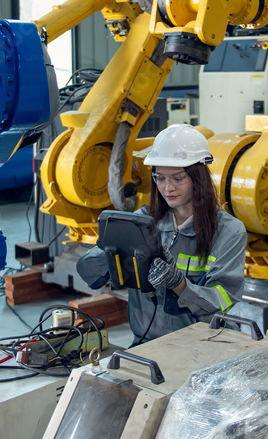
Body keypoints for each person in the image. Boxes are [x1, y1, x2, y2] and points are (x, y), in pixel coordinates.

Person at [76, 123, 247, 344]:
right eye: (160, 178)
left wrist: (179, 284)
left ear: (199, 177)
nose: (168, 188)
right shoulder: (142, 222)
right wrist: (111, 252)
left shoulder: (228, 232)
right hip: (148, 343)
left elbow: (222, 301)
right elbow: (86, 271)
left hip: (204, 344)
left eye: (177, 178)